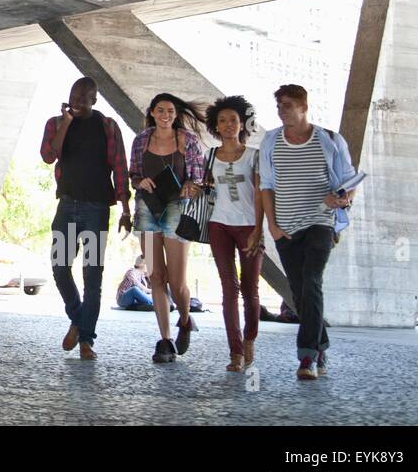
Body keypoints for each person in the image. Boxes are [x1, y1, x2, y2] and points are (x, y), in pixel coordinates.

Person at [258, 84, 359, 380]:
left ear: (304, 106)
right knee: (300, 293)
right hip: (286, 229)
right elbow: (266, 185)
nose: (281, 110)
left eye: (287, 105)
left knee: (312, 281)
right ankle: (321, 343)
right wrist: (272, 227)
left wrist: (343, 200)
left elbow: (349, 182)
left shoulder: (329, 139)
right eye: (279, 105)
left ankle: (307, 357)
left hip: (320, 223)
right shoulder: (270, 141)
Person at [40, 76, 132, 359]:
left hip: (96, 210)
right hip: (67, 207)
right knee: (60, 267)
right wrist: (67, 122)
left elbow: (120, 168)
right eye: (74, 97)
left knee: (92, 277)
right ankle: (79, 320)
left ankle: (86, 340)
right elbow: (47, 155)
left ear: (95, 99)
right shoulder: (56, 124)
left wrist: (126, 209)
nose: (78, 102)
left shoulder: (108, 127)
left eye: (84, 98)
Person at [130, 93, 206, 363]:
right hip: (148, 208)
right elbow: (133, 174)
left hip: (177, 209)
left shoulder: (188, 141)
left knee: (177, 281)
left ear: (175, 114)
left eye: (170, 111)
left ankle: (185, 320)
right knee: (157, 277)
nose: (165, 115)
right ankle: (165, 340)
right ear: (152, 112)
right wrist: (140, 181)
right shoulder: (141, 140)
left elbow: (200, 178)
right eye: (160, 110)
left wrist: (190, 185)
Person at [204, 94, 263, 372]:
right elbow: (204, 188)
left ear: (242, 124)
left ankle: (250, 337)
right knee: (229, 288)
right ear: (216, 125)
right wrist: (193, 187)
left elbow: (263, 195)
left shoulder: (254, 155)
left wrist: (260, 229)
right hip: (219, 225)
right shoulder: (209, 156)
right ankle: (235, 352)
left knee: (250, 289)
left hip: (250, 225)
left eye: (233, 120)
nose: (228, 125)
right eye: (222, 121)